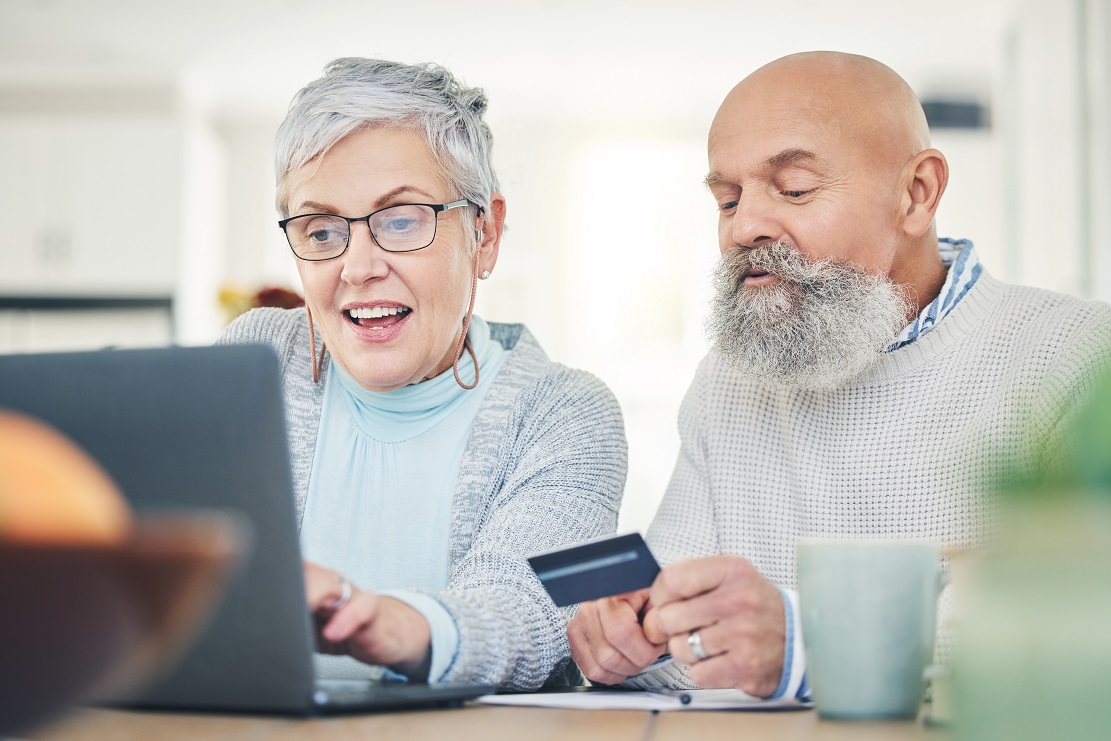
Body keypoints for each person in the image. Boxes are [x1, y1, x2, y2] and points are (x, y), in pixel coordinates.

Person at [567, 51, 1111, 699]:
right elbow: (681, 643)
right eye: (727, 200)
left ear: (917, 193)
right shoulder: (727, 379)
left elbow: (1083, 611)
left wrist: (813, 639)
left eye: (794, 188)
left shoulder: (1081, 354)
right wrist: (631, 640)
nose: (744, 227)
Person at [219, 58, 627, 691]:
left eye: (402, 220)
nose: (358, 268)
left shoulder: (567, 413)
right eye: (321, 230)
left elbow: (534, 613)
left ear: (485, 234)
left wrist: (391, 623)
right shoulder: (257, 361)